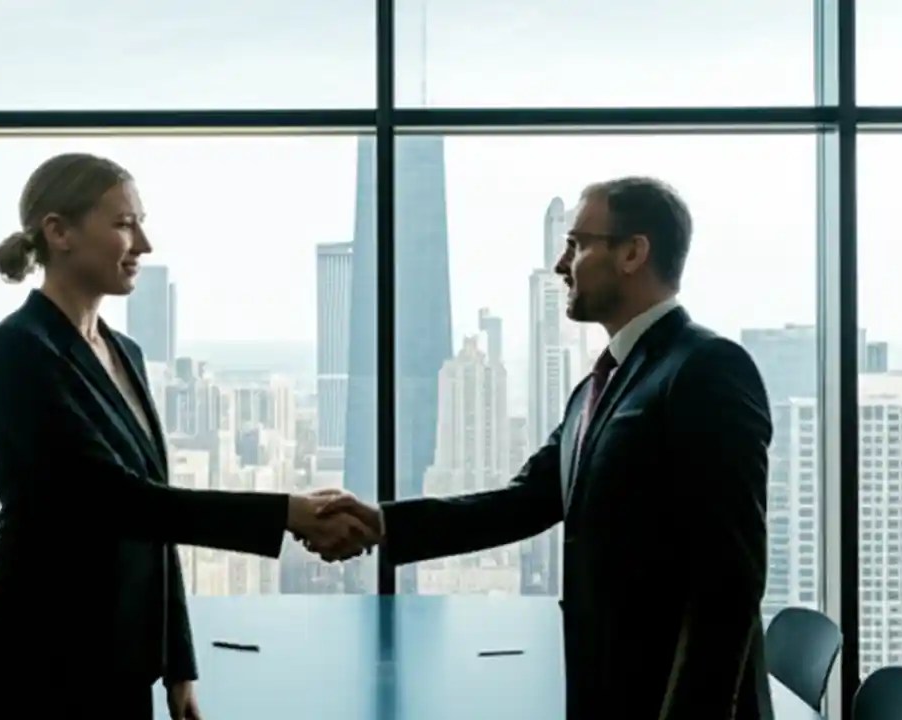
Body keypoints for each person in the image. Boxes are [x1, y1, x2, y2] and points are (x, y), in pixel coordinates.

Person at [318, 177, 774, 719]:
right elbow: (526, 501)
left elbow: (730, 577)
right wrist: (382, 523)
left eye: (578, 244)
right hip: (605, 693)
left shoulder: (707, 369)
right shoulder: (595, 388)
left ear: (633, 252)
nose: (562, 264)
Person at [0, 152, 372, 720]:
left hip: (121, 664)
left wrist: (179, 665)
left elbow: (155, 522)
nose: (144, 244)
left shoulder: (123, 354)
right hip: (42, 660)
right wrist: (287, 513)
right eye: (124, 224)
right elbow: (116, 500)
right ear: (59, 232)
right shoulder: (20, 349)